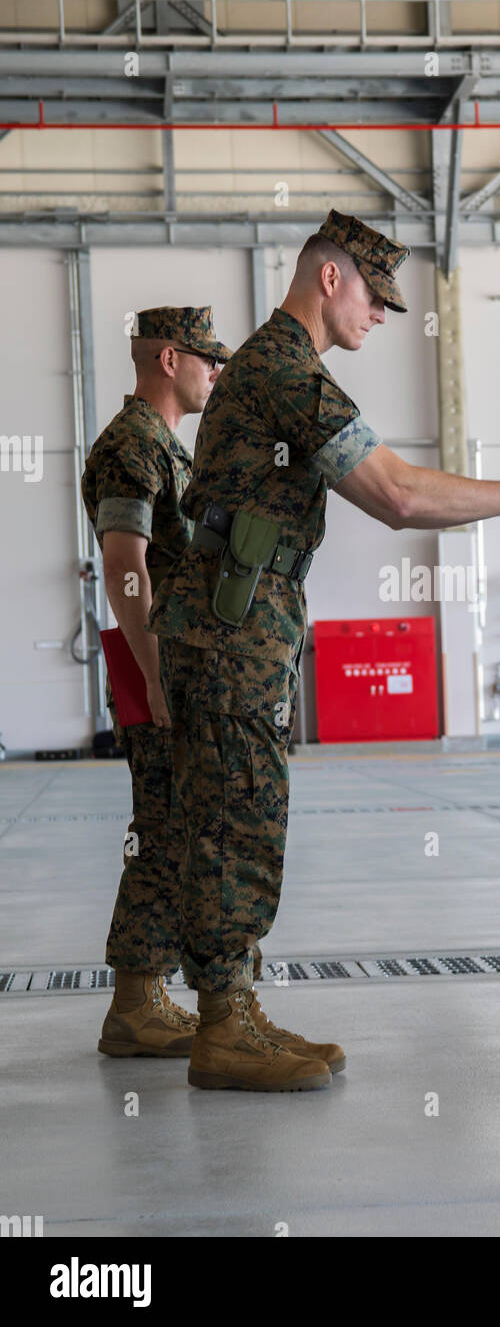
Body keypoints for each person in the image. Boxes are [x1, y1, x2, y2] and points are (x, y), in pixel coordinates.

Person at [148, 209, 500, 1093]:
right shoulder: (283, 369)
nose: (383, 315)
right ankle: (224, 1027)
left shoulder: (277, 366)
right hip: (235, 628)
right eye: (375, 296)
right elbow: (395, 494)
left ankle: (232, 1007)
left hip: (239, 619)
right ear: (328, 278)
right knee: (239, 815)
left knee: (237, 812)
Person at [81, 305, 230, 1058]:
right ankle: (136, 1002)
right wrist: (157, 677)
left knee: (173, 829)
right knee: (163, 832)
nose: (216, 372)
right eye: (208, 358)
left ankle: (146, 994)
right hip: (156, 666)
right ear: (169, 359)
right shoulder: (132, 446)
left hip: (172, 662)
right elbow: (123, 565)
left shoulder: (162, 446)